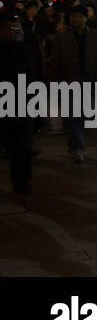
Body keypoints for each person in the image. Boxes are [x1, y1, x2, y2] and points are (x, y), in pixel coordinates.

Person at [48, 5, 97, 163]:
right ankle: (79, 147)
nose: (76, 19)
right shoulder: (62, 37)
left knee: (81, 115)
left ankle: (73, 145)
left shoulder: (95, 36)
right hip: (67, 81)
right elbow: (55, 62)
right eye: (73, 16)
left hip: (88, 79)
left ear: (85, 18)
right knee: (72, 115)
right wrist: (52, 83)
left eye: (79, 16)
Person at [0, 12, 35, 193]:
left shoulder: (22, 49)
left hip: (22, 104)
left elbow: (33, 76)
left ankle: (21, 181)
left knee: (22, 146)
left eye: (14, 28)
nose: (11, 31)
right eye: (7, 28)